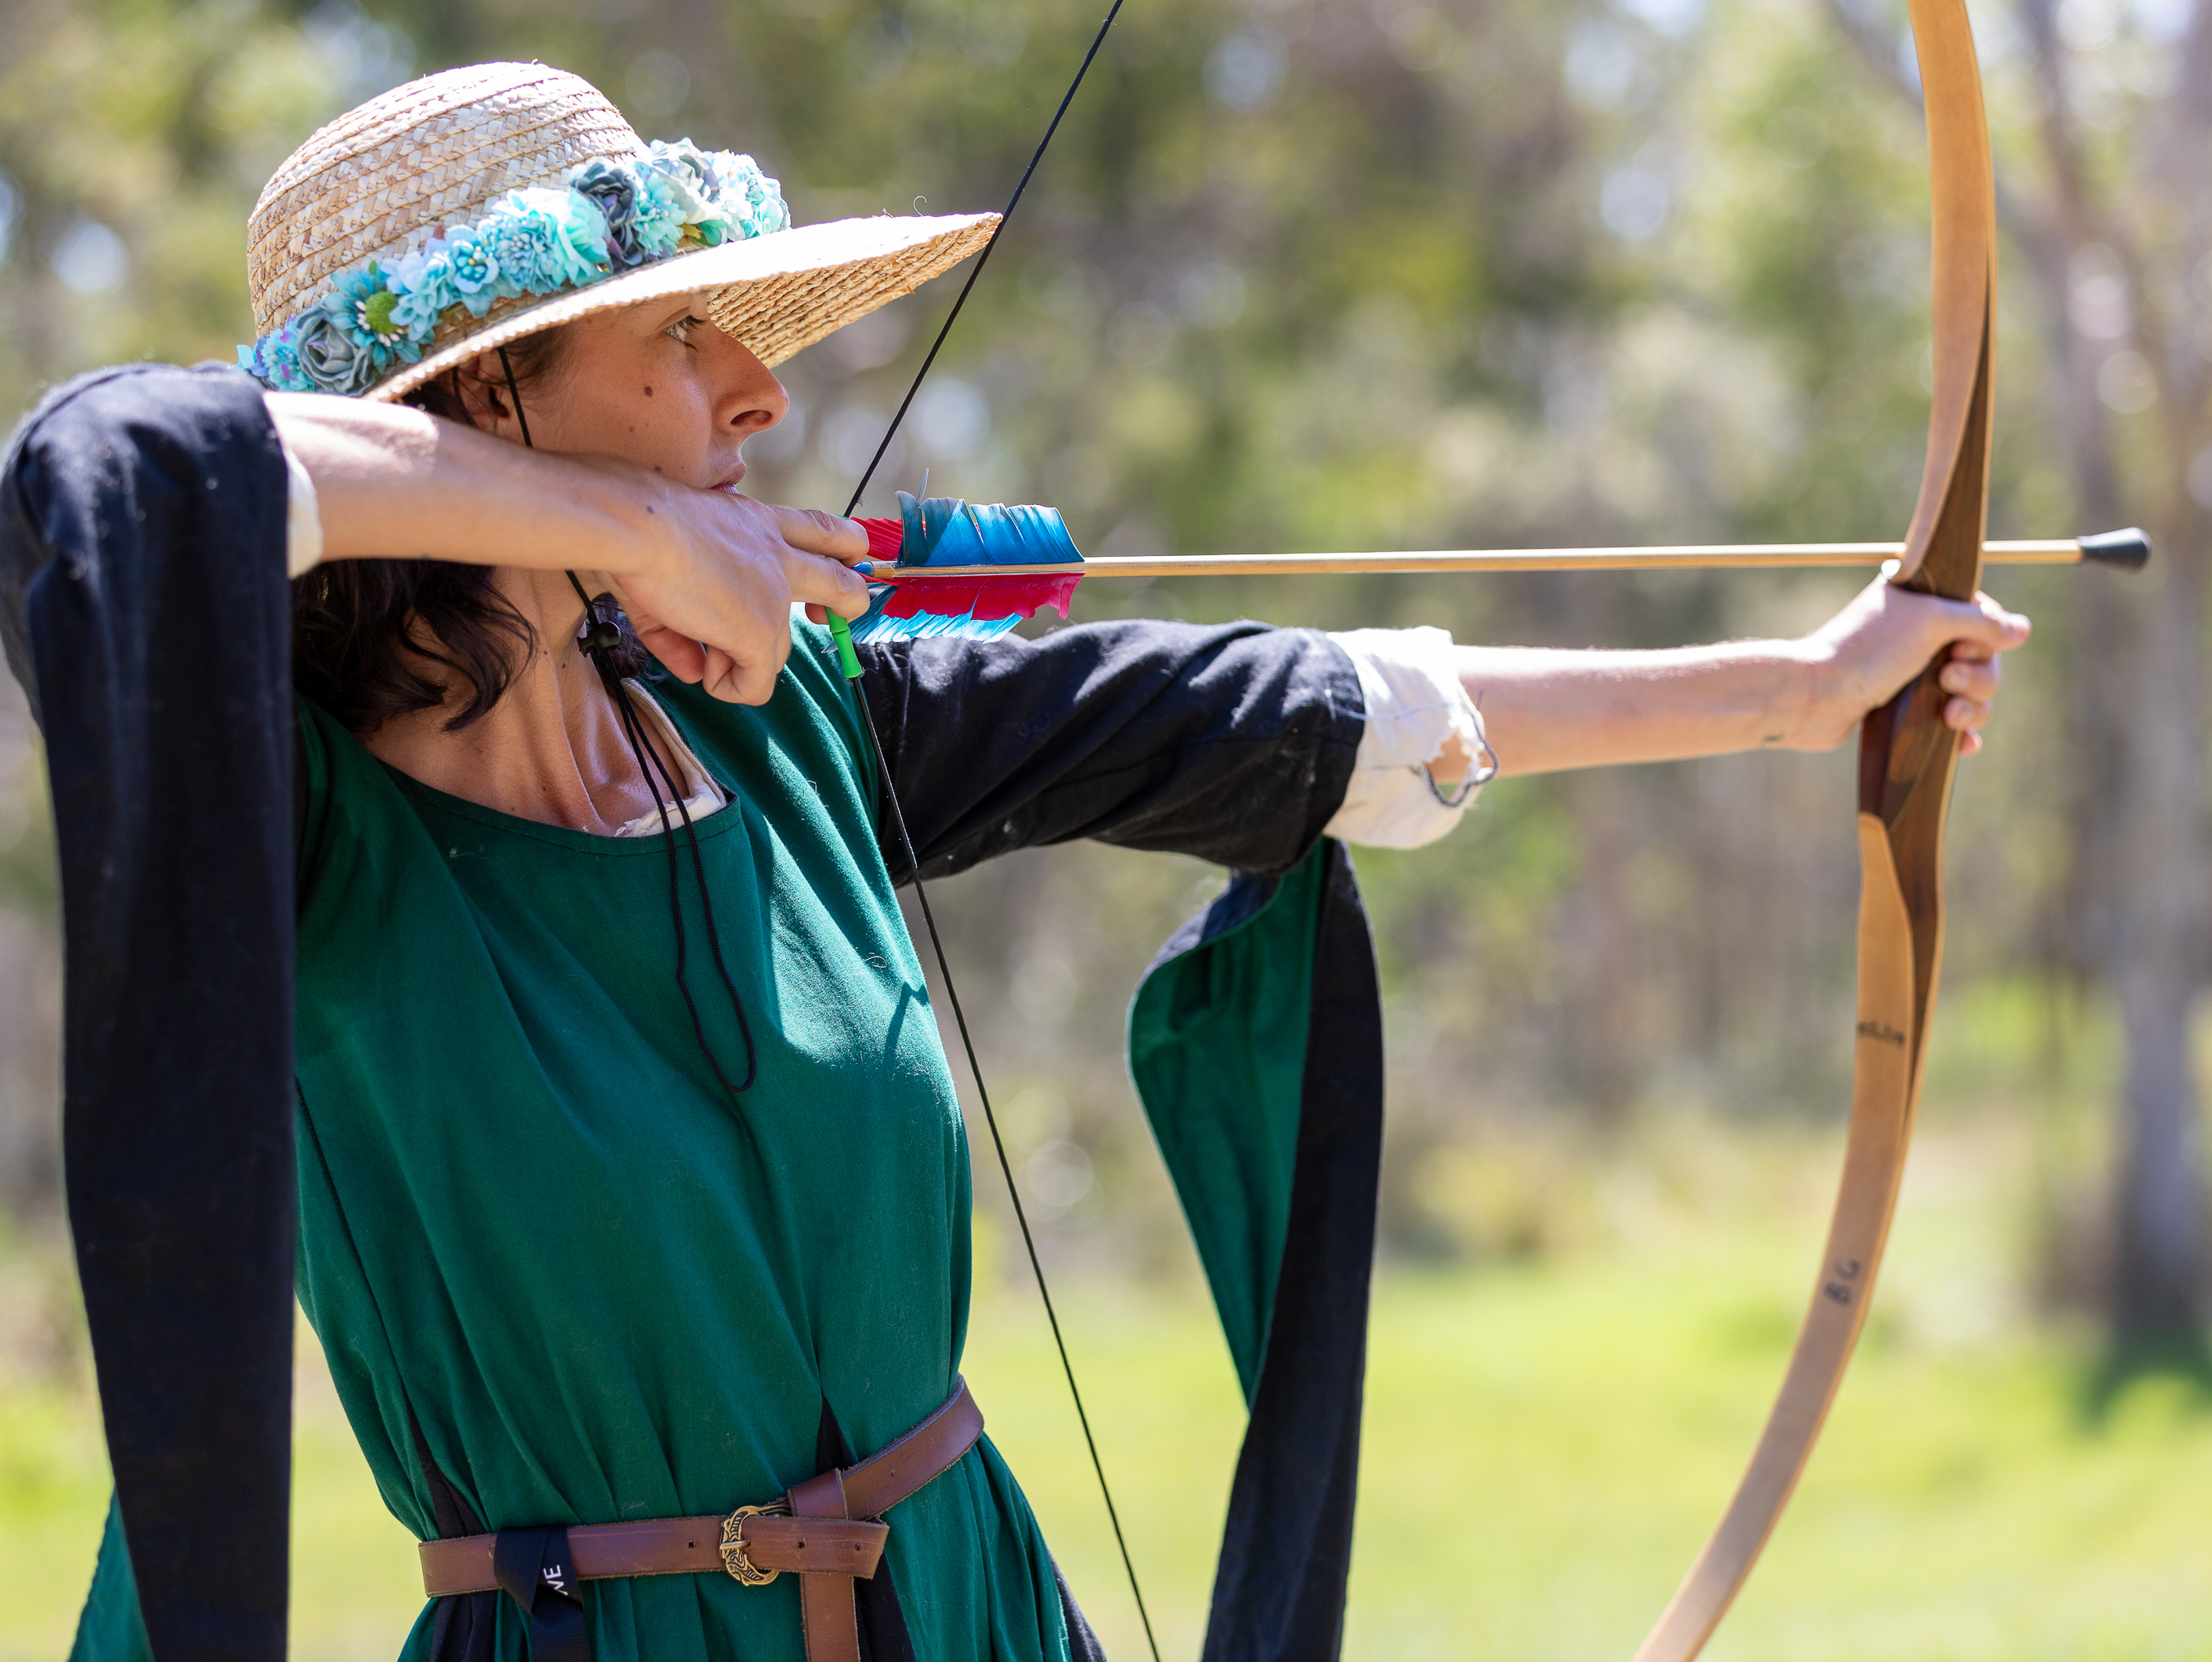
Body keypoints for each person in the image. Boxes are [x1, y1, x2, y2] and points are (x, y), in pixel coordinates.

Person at [0, 60, 2027, 1662]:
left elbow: (1300, 701)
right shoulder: (300, 830)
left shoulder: (781, 716)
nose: (758, 391)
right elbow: (109, 471)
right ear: (488, 386)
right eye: (678, 336)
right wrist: (631, 537)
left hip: (971, 1613)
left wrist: (1810, 685)